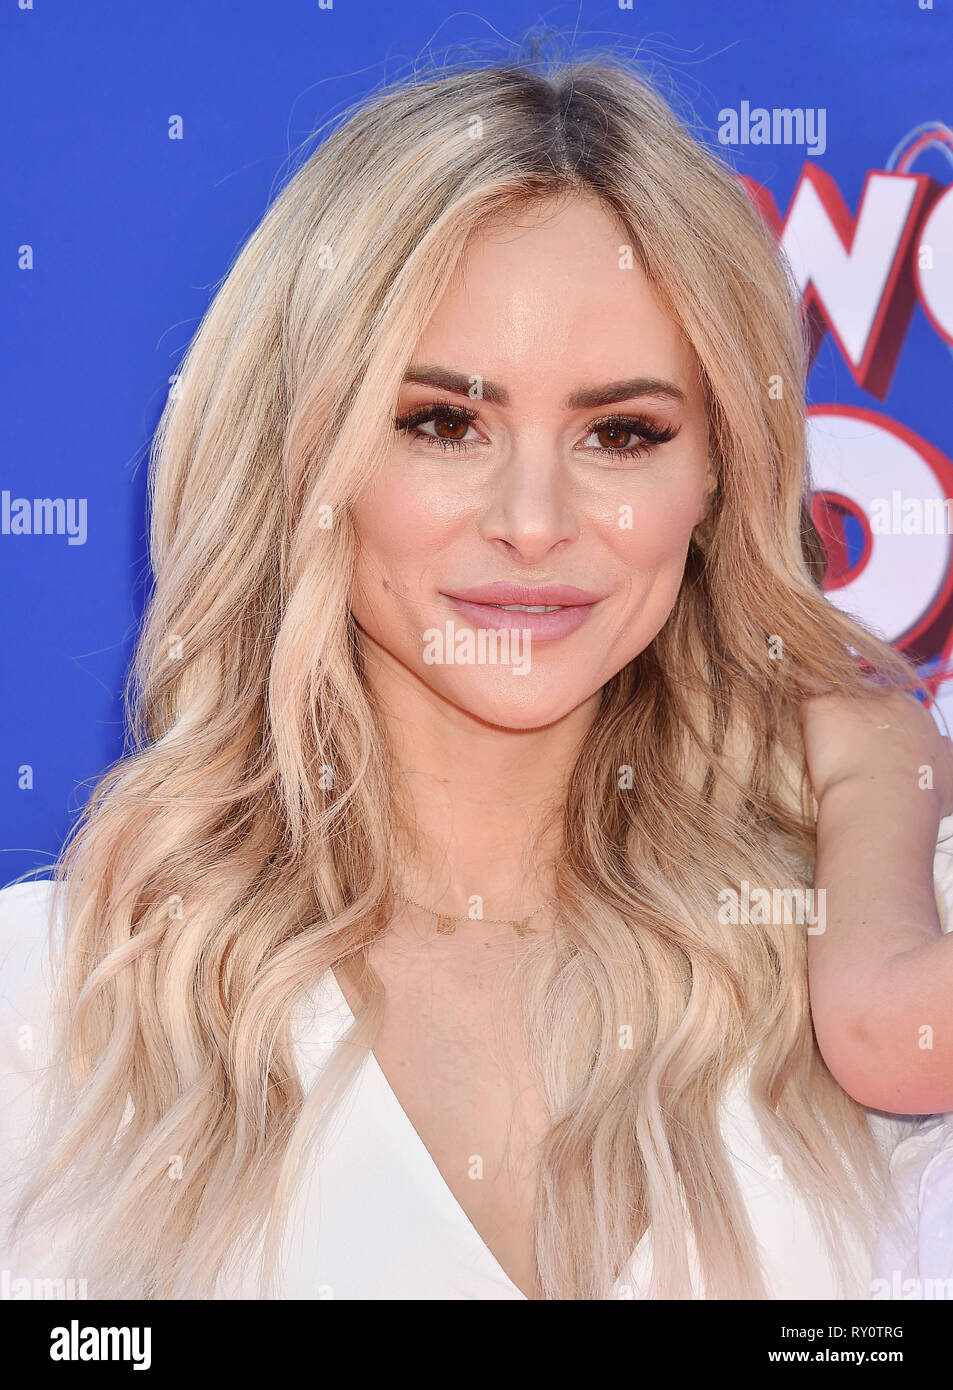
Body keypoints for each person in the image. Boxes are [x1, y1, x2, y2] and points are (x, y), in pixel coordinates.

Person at [2, 51, 952, 1302]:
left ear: (717, 477)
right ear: (304, 452)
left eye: (622, 433)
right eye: (442, 422)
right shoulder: (53, 1006)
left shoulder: (875, 933)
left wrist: (873, 807)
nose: (531, 518)